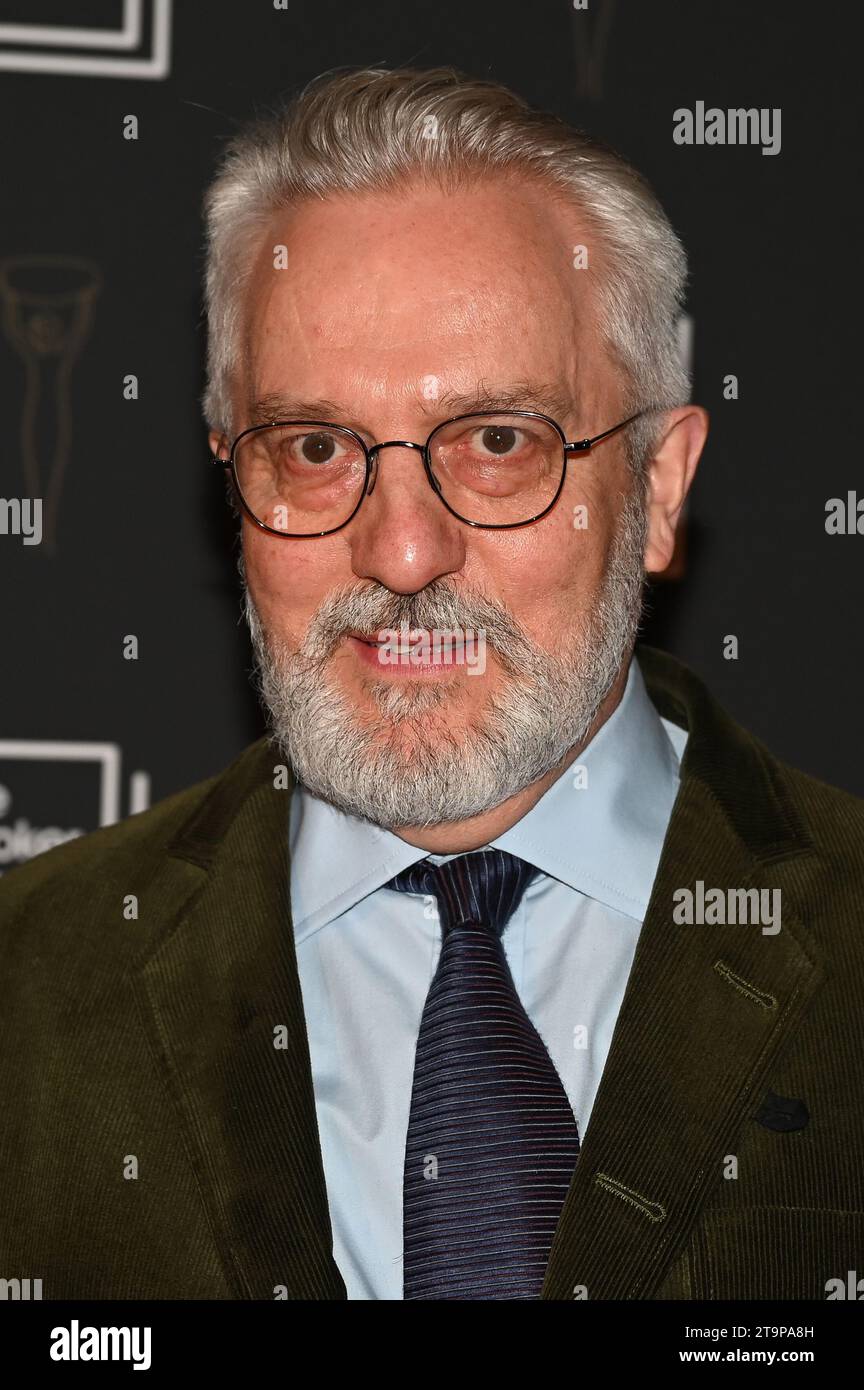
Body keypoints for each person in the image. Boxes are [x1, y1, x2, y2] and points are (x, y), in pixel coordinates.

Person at [1, 66, 862, 1302]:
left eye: (499, 442)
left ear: (659, 490)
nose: (401, 552)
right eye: (312, 448)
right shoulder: (27, 995)